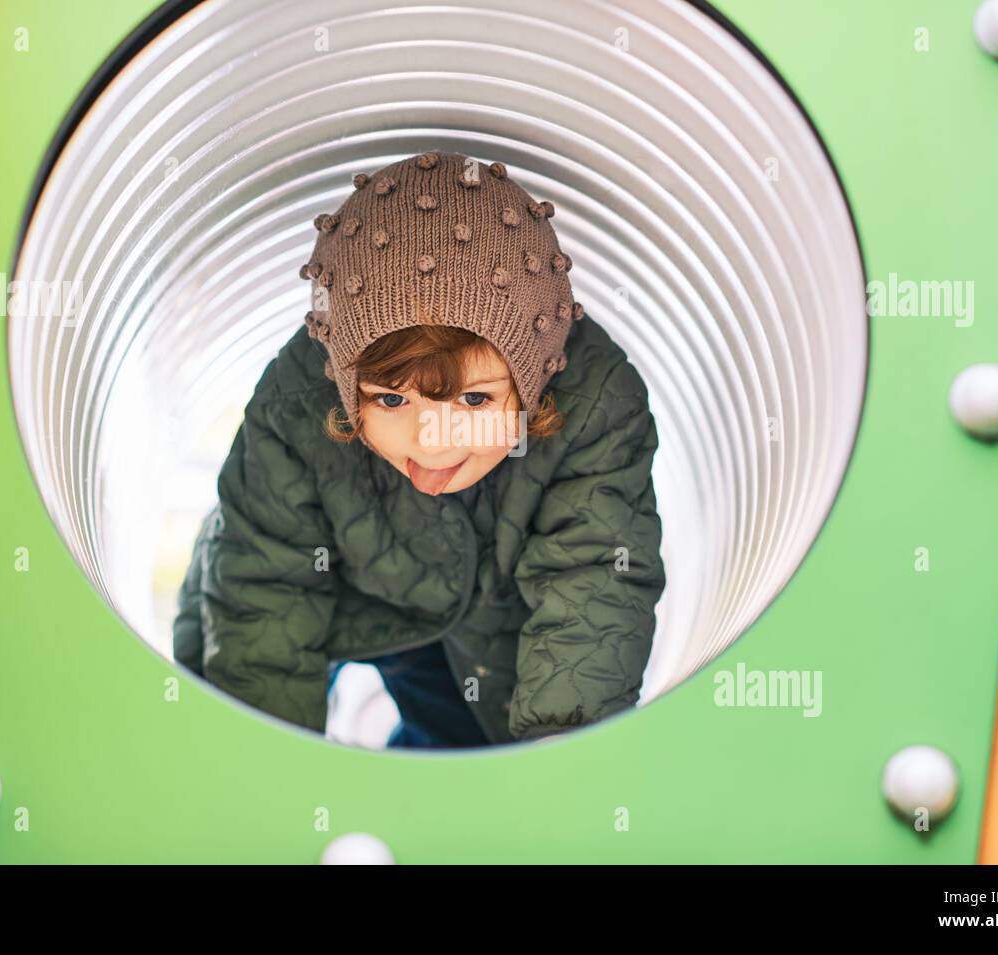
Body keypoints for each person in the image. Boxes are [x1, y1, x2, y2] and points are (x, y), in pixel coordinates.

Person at [172, 150, 665, 748]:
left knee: (453, 745)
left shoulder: (595, 405)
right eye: (391, 402)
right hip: (334, 589)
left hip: (488, 624)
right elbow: (264, 583)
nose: (434, 439)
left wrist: (553, 775)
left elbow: (591, 592)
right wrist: (274, 777)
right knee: (237, 696)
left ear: (532, 381)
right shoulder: (297, 398)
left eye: (475, 402)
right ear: (346, 384)